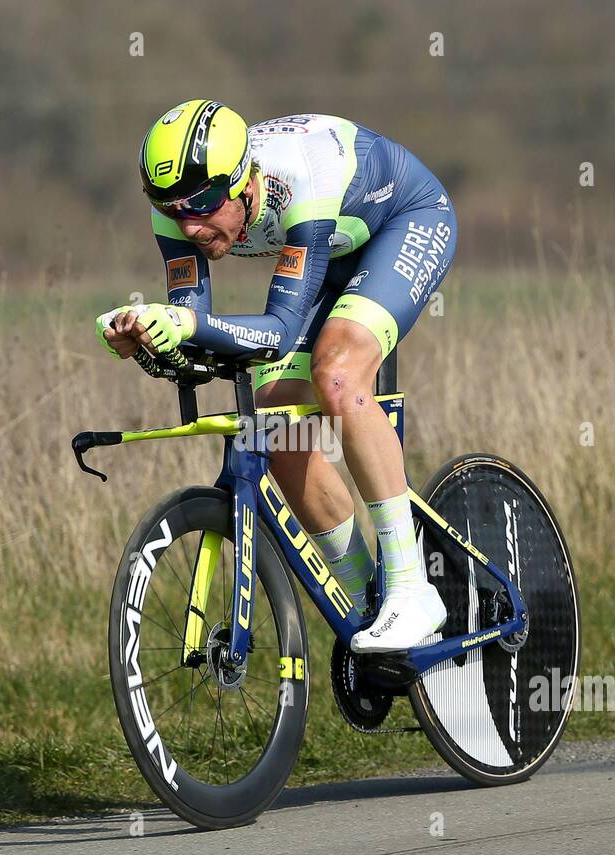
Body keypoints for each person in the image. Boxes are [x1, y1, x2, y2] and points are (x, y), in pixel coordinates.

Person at [96, 100, 457, 653]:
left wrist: (187, 322)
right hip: (327, 253)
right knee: (276, 426)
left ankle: (412, 588)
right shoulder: (178, 213)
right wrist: (148, 337)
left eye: (205, 205)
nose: (190, 225)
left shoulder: (299, 177)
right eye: (171, 209)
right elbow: (193, 324)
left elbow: (282, 329)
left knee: (337, 374)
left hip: (404, 222)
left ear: (244, 181)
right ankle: (366, 597)